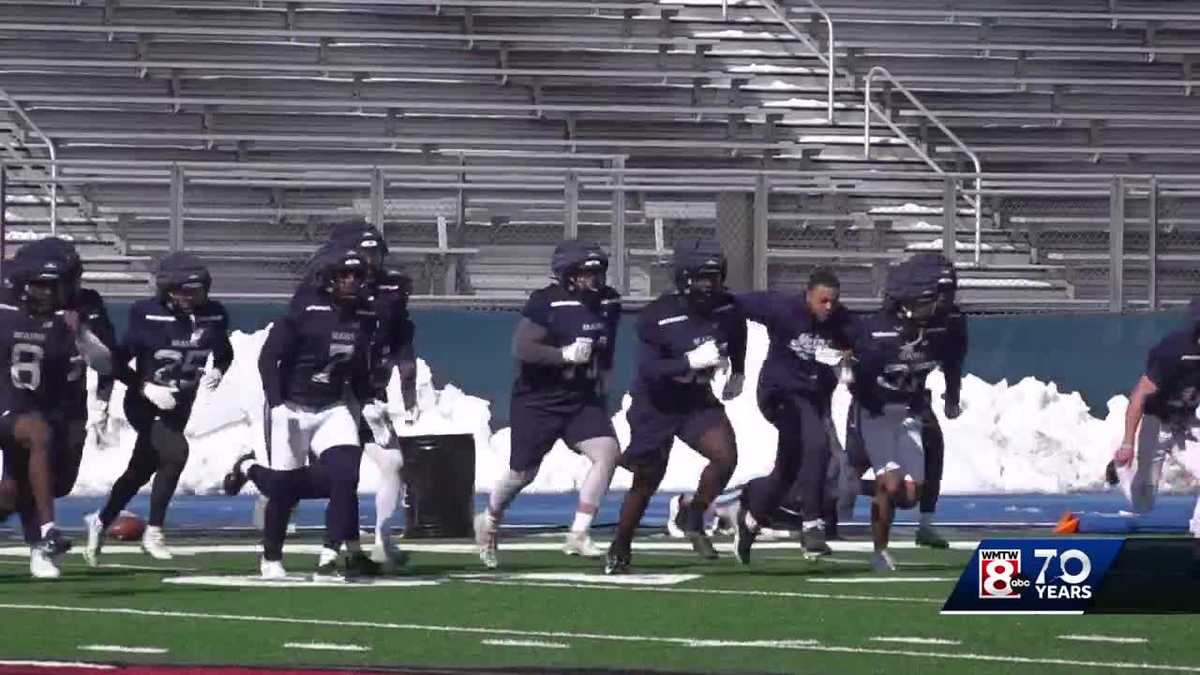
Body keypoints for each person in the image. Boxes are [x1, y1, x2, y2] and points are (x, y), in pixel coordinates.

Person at [224, 246, 379, 580]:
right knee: (283, 488)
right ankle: (271, 554)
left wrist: (370, 402)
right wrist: (277, 404)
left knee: (346, 477)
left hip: (332, 406)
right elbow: (269, 358)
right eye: (345, 274)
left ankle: (329, 555)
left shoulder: (366, 314)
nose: (352, 281)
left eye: (357, 274)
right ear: (330, 278)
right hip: (292, 404)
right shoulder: (305, 308)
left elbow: (358, 367)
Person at [474, 240, 622, 569]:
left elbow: (606, 349)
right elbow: (523, 348)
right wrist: (563, 355)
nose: (596, 279)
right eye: (587, 272)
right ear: (568, 274)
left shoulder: (608, 301)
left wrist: (602, 384)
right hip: (538, 398)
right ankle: (490, 518)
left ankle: (579, 532)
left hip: (580, 395)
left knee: (607, 452)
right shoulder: (547, 301)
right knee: (522, 474)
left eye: (598, 271)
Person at [606, 238, 746, 574]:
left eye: (714, 277)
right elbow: (649, 370)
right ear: (684, 278)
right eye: (702, 278)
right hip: (656, 404)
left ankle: (693, 513)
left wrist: (738, 370)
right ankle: (620, 544)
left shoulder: (727, 308)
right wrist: (689, 361)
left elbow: (737, 332)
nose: (709, 285)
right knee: (647, 479)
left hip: (696, 400)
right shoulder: (659, 315)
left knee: (725, 457)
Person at [84, 253, 232, 565]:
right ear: (167, 290)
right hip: (144, 402)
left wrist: (219, 369)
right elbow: (118, 362)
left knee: (141, 469)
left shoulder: (214, 314)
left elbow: (224, 350)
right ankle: (154, 531)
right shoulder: (147, 314)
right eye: (184, 291)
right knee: (176, 453)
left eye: (196, 291)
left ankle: (100, 520)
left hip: (180, 405)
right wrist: (145, 387)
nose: (191, 298)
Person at [730, 267, 855, 563]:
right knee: (817, 443)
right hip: (779, 394)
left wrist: (847, 357)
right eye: (823, 301)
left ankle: (750, 522)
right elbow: (734, 304)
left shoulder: (842, 320)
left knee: (786, 471)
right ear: (808, 295)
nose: (829, 307)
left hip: (813, 397)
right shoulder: (783, 308)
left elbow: (865, 345)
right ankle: (811, 526)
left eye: (833, 301)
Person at [0, 252, 112, 578]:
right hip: (9, 405)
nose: (48, 292)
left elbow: (106, 362)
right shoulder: (6, 312)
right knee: (38, 436)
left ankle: (39, 540)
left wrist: (82, 336)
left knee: (17, 491)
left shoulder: (67, 319)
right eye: (40, 285)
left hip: (49, 406)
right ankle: (46, 533)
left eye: (55, 285)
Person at [850, 258, 956, 572]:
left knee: (910, 495)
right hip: (877, 412)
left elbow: (953, 359)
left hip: (909, 412)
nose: (935, 306)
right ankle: (879, 551)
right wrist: (871, 402)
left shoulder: (941, 330)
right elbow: (857, 379)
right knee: (891, 485)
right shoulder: (877, 332)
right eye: (927, 300)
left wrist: (949, 397)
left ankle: (853, 487)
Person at [1110, 299, 1200, 538]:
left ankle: (1198, 528)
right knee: (1143, 502)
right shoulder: (1174, 350)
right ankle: (1121, 467)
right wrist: (1128, 443)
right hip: (1157, 422)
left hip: (1187, 421)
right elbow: (1139, 395)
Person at [907, 252, 966, 549]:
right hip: (879, 395)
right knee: (856, 462)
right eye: (938, 292)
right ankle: (822, 513)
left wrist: (952, 397)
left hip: (914, 393)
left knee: (934, 447)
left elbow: (953, 361)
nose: (943, 299)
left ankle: (926, 523)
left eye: (949, 292)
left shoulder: (952, 321)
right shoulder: (901, 314)